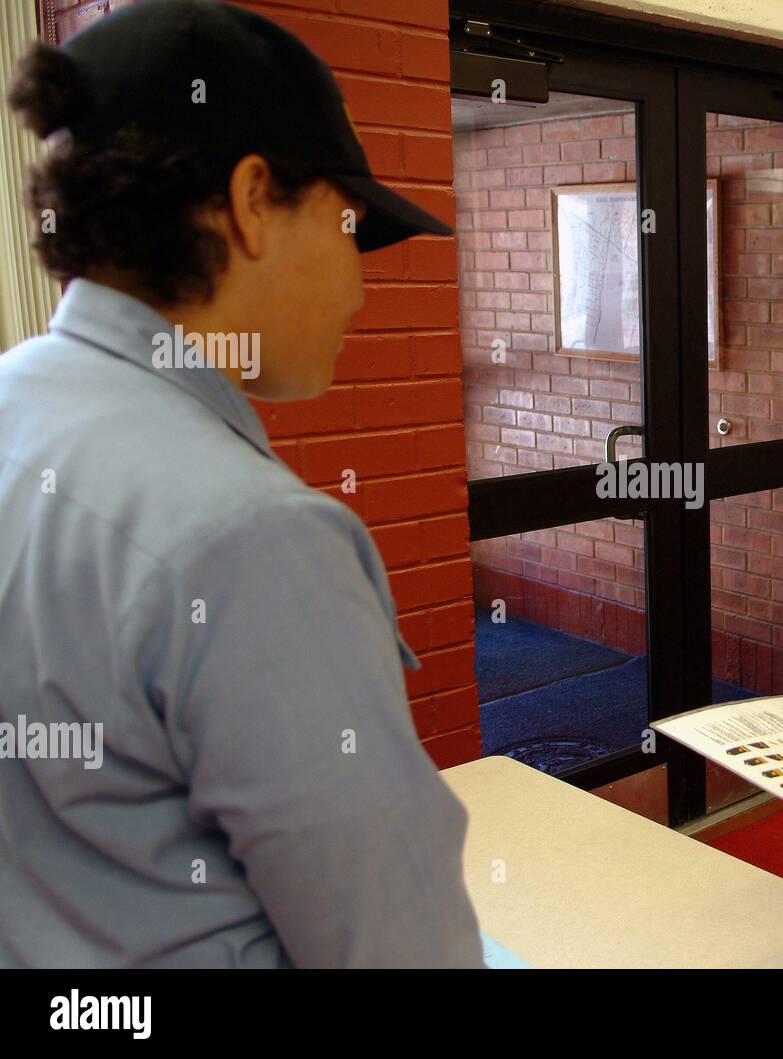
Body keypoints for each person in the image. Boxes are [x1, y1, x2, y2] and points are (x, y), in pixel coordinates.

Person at [0, 0, 483, 967]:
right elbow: (393, 945)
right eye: (349, 229)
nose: (357, 284)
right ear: (252, 200)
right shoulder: (251, 540)